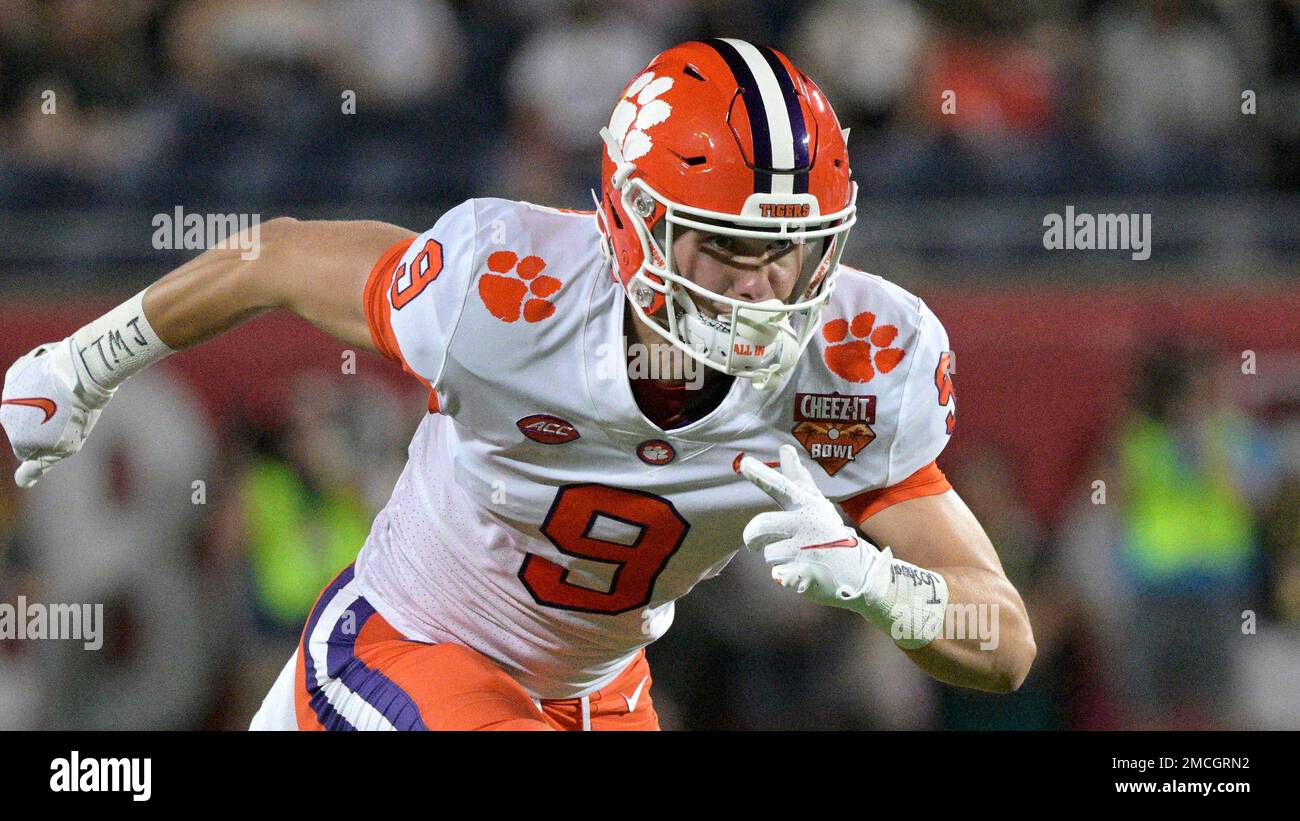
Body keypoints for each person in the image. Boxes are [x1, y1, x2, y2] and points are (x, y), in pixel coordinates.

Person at [1, 39, 1034, 731]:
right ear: (637, 221)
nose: (765, 288)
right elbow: (275, 255)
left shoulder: (855, 360)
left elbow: (1006, 640)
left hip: (596, 692)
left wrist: (878, 584)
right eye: (725, 246)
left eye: (793, 252)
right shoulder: (506, 294)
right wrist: (83, 363)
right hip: (407, 643)